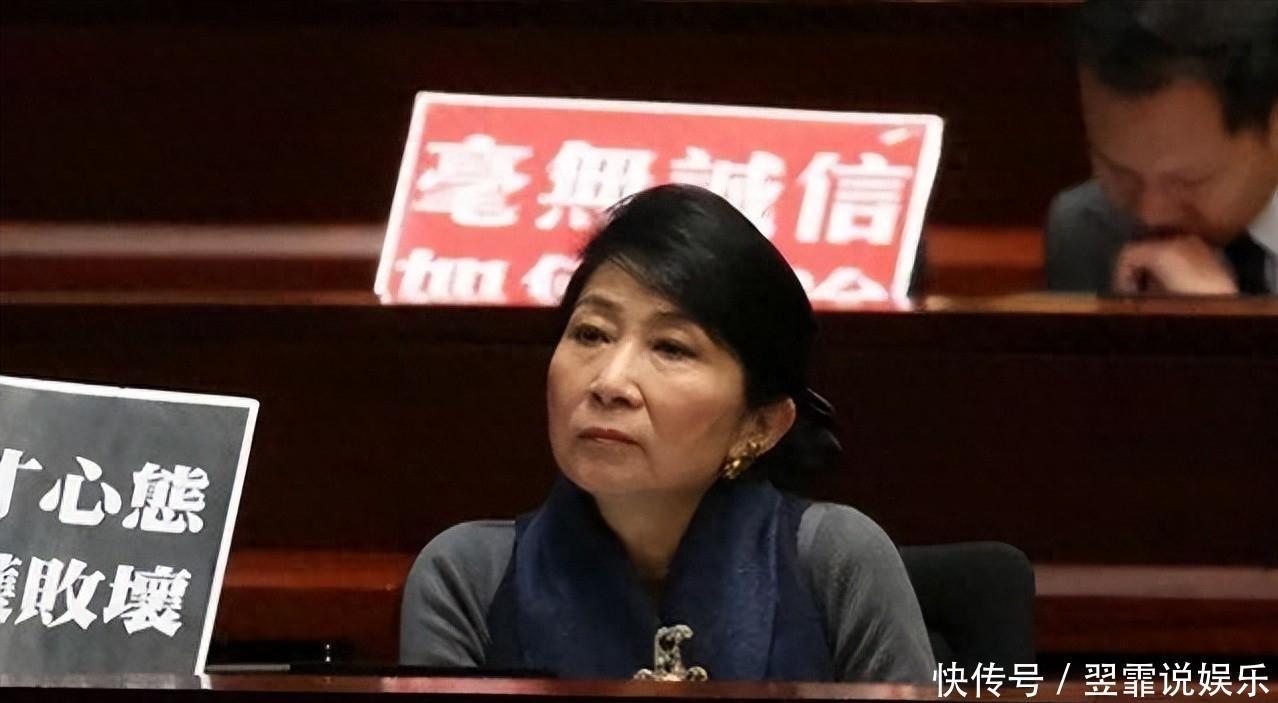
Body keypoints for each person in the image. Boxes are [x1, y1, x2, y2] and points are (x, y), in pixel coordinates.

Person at [399, 184, 934, 682]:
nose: (610, 383)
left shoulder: (835, 561)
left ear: (760, 425)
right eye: (591, 334)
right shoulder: (468, 577)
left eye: (671, 348)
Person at [1045, 0, 1278, 295]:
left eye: (1188, 181)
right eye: (1118, 173)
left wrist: (1218, 318)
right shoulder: (1087, 229)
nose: (1150, 215)